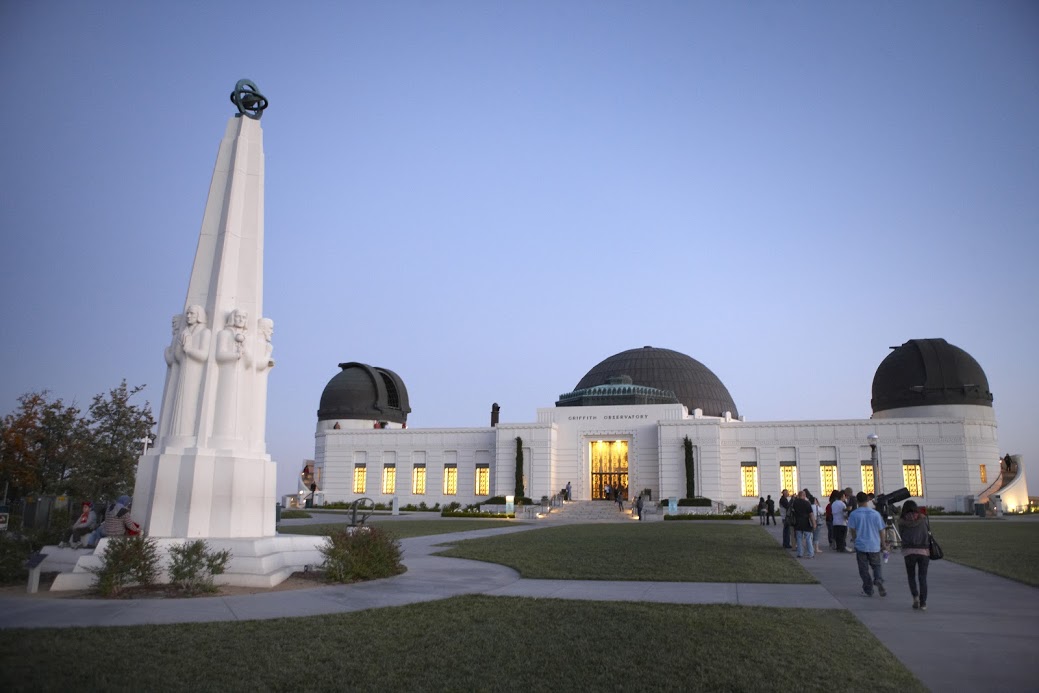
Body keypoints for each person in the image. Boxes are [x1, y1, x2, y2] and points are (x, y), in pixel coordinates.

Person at [848, 491, 888, 597]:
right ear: (867, 500)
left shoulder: (854, 514)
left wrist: (855, 539)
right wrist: (883, 544)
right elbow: (881, 530)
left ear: (857, 501)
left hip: (861, 545)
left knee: (863, 569)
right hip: (874, 544)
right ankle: (878, 579)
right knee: (876, 565)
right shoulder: (875, 514)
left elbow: (852, 530)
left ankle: (868, 589)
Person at [898, 500, 931, 610]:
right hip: (923, 551)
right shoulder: (922, 519)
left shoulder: (902, 521)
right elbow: (927, 533)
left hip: (909, 551)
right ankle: (923, 603)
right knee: (923, 578)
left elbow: (901, 535)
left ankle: (915, 597)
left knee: (911, 576)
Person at [791, 491, 815, 558]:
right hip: (806, 522)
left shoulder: (795, 503)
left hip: (797, 522)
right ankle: (810, 553)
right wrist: (814, 523)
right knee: (808, 538)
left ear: (798, 495)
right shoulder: (807, 503)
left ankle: (800, 553)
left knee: (799, 538)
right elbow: (811, 514)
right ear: (804, 496)